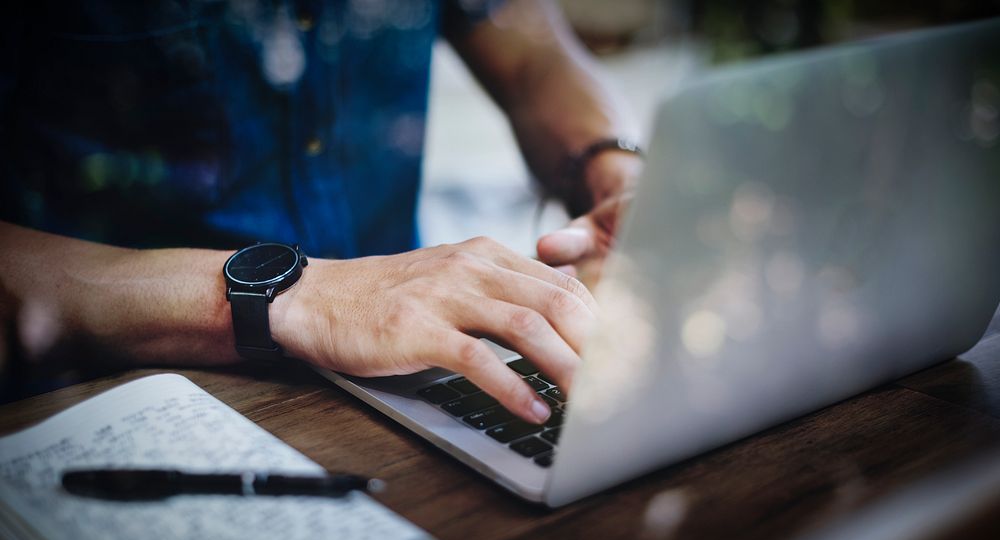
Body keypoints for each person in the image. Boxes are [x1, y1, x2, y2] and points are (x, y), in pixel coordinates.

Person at [0, 0, 643, 423]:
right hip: (103, 406)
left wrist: (611, 164)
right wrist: (294, 297)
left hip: (407, 374)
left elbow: (532, 53)